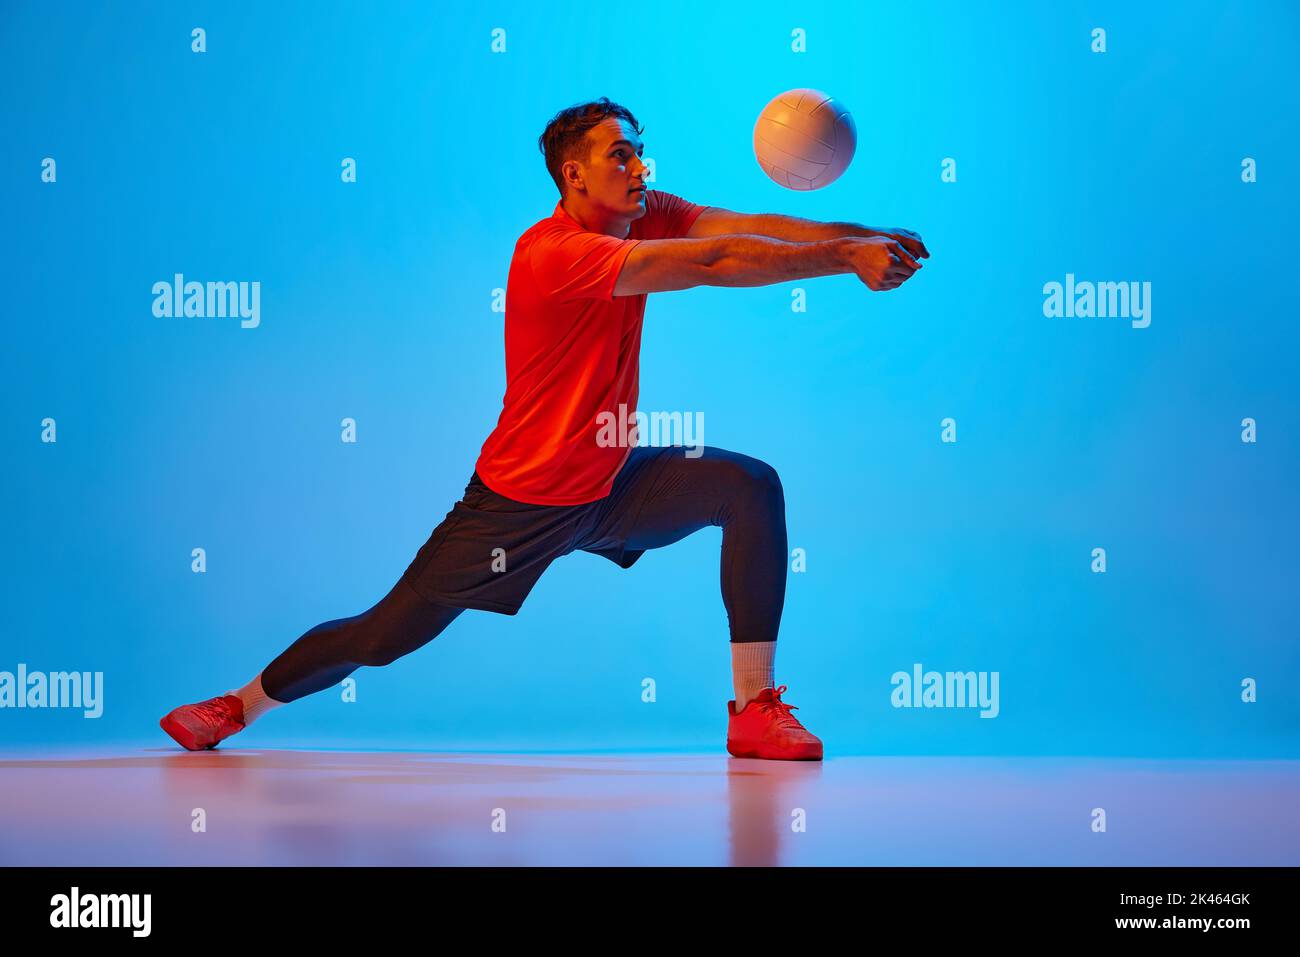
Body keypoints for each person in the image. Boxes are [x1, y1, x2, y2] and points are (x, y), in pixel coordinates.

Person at [160, 97, 928, 760]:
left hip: (611, 481)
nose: (638, 168)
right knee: (382, 637)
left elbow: (742, 224)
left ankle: (754, 711)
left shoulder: (642, 215)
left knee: (749, 486)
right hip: (519, 503)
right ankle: (238, 703)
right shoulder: (553, 254)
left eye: (639, 153)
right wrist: (844, 259)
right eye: (619, 156)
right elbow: (715, 261)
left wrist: (864, 234)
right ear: (574, 176)